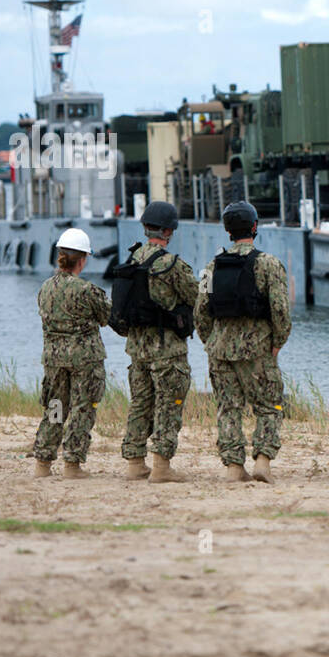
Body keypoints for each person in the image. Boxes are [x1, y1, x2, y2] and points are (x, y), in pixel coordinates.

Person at [194, 200, 291, 483]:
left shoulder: (209, 268)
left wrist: (211, 342)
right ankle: (262, 460)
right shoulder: (270, 264)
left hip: (220, 350)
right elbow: (281, 310)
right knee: (269, 405)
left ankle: (234, 467)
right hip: (258, 348)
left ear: (228, 231)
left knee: (228, 408)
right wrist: (277, 342)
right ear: (254, 226)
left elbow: (200, 311)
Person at [111, 200, 198, 483]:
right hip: (167, 349)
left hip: (137, 348)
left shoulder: (131, 260)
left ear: (146, 227)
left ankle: (135, 463)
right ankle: (161, 467)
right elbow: (195, 296)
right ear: (169, 231)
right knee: (168, 404)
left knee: (140, 403)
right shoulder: (171, 264)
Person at [32, 227, 111, 478]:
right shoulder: (87, 290)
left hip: (54, 360)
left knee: (55, 407)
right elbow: (107, 317)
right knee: (82, 409)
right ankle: (72, 465)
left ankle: (43, 463)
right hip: (84, 360)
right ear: (83, 259)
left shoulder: (45, 288)